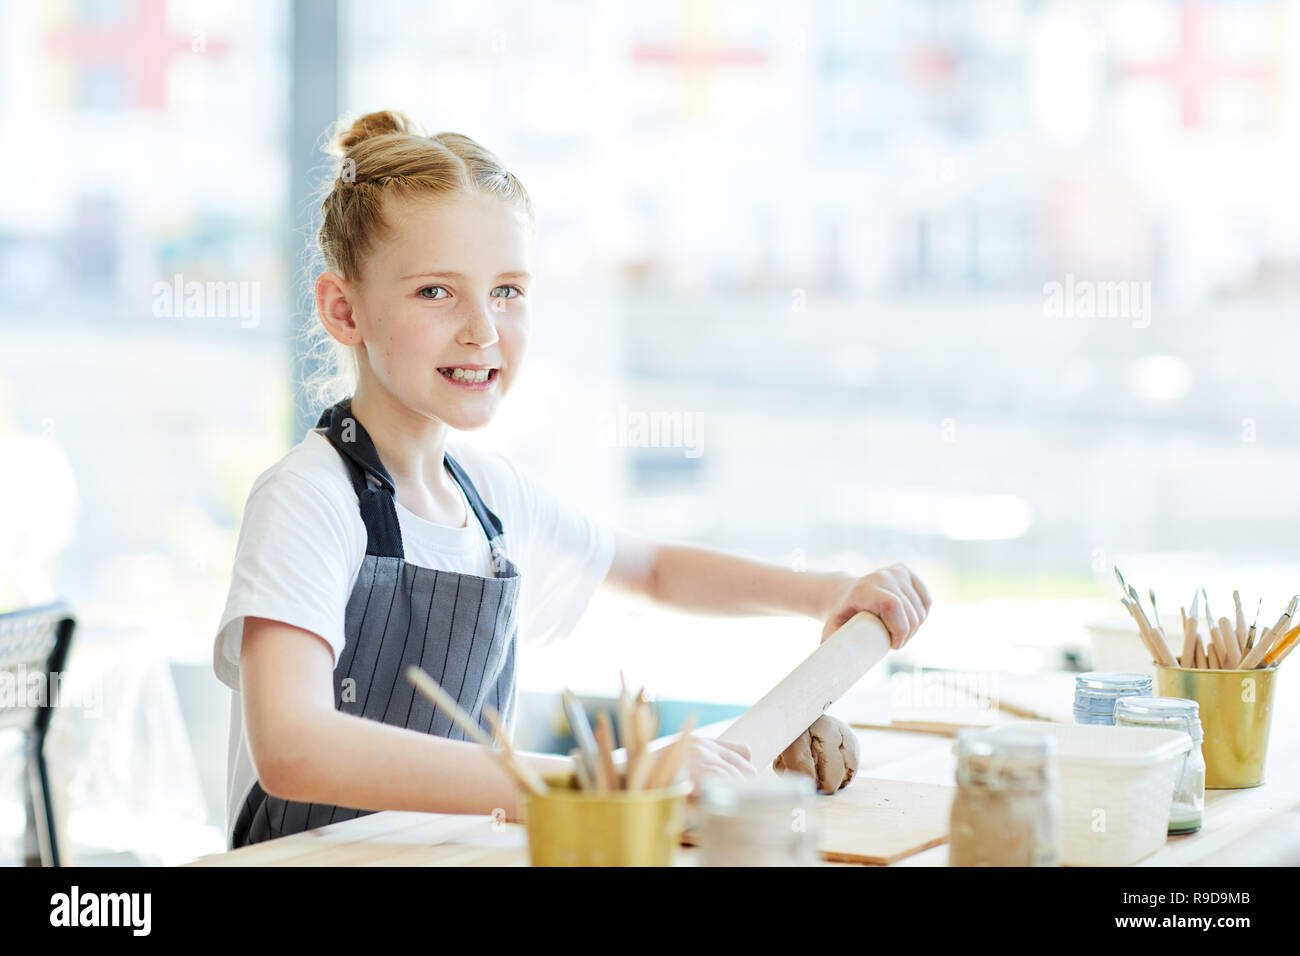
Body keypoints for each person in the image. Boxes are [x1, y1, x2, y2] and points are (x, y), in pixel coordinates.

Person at [212, 110, 931, 849]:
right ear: (344, 310)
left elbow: (654, 569)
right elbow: (295, 747)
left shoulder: (491, 499)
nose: (483, 329)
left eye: (507, 291)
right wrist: (597, 784)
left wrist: (827, 593)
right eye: (435, 292)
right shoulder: (308, 499)